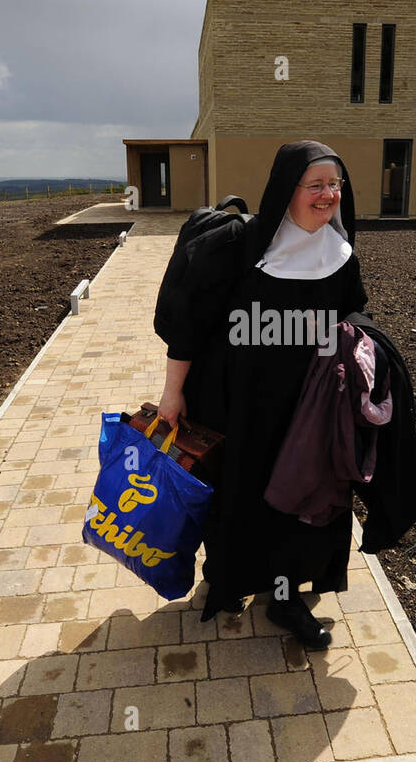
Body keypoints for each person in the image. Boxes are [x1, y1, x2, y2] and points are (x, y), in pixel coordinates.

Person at [153, 140, 367, 649]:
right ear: (285, 191)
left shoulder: (339, 254)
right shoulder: (238, 250)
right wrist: (171, 394)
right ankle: (230, 577)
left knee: (302, 494)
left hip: (308, 409)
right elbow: (190, 328)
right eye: (315, 185)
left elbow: (352, 320)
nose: (328, 195)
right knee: (236, 490)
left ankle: (287, 595)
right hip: (237, 403)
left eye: (335, 185)